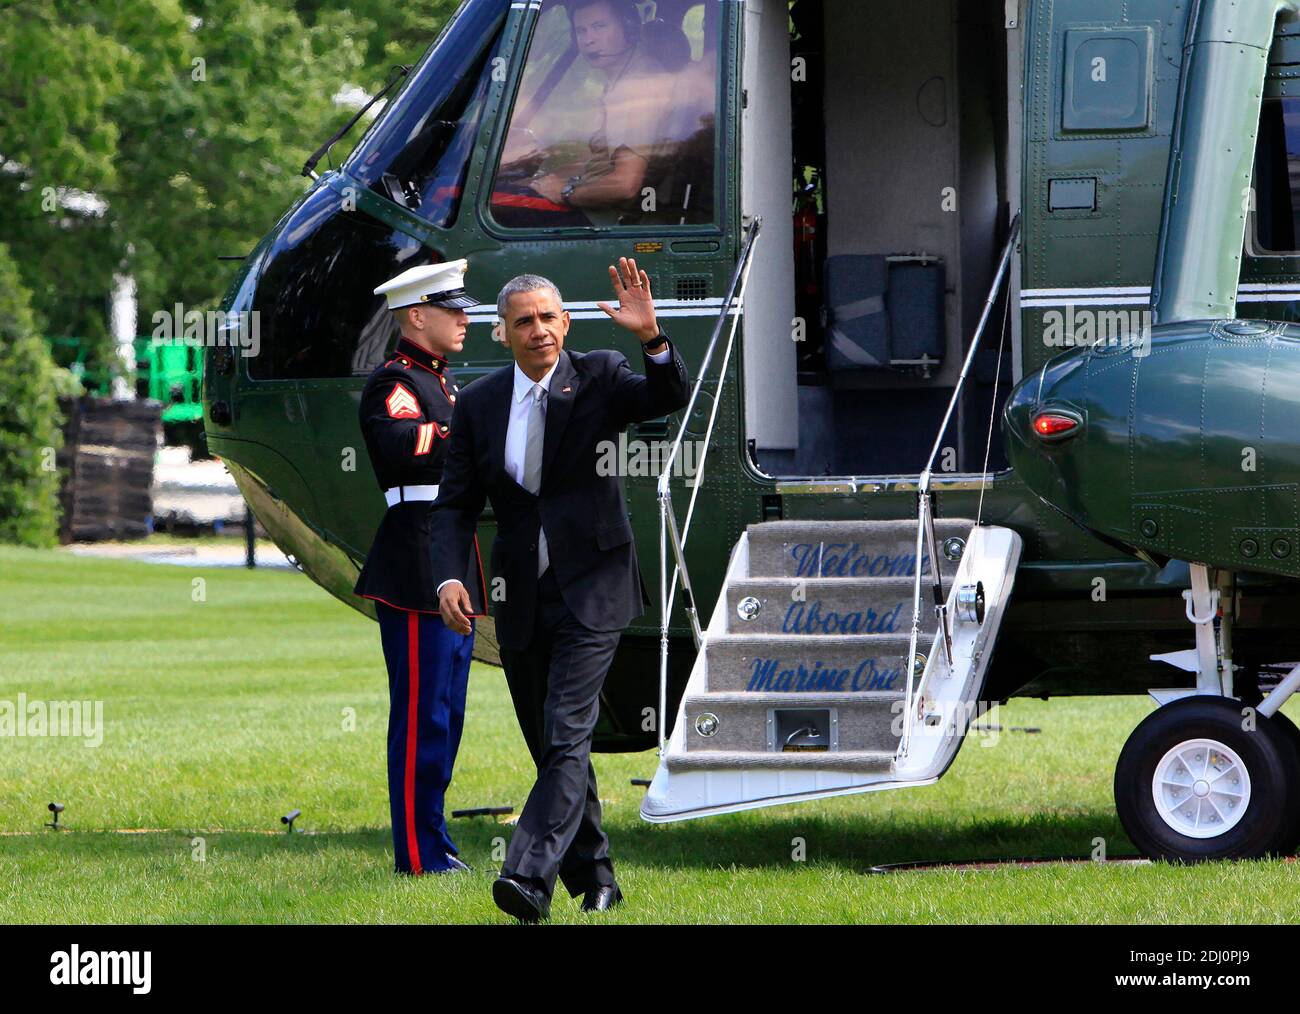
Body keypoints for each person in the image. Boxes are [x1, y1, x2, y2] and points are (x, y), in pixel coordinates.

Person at [431, 257, 689, 919]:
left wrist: (652, 340)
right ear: (504, 332)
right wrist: (450, 575)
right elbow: (455, 504)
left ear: (565, 322)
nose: (540, 330)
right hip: (519, 595)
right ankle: (598, 877)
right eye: (525, 321)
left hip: (595, 583)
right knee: (552, 744)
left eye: (549, 317)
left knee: (569, 732)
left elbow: (665, 397)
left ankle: (527, 877)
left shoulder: (600, 374)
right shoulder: (480, 404)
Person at [354, 259, 488, 876]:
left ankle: (433, 844)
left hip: (448, 554)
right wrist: (468, 427)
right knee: (421, 715)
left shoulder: (443, 384)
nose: (464, 319)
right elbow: (403, 446)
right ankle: (417, 855)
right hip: (415, 561)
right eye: (451, 309)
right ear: (416, 316)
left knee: (447, 713)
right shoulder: (395, 382)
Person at [492, 0, 674, 228]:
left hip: (610, 219)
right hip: (605, 211)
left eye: (599, 26)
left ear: (629, 28)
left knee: (477, 198)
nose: (588, 40)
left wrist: (565, 192)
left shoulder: (639, 85)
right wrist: (541, 180)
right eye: (581, 30)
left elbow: (625, 184)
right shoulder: (623, 78)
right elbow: (601, 163)